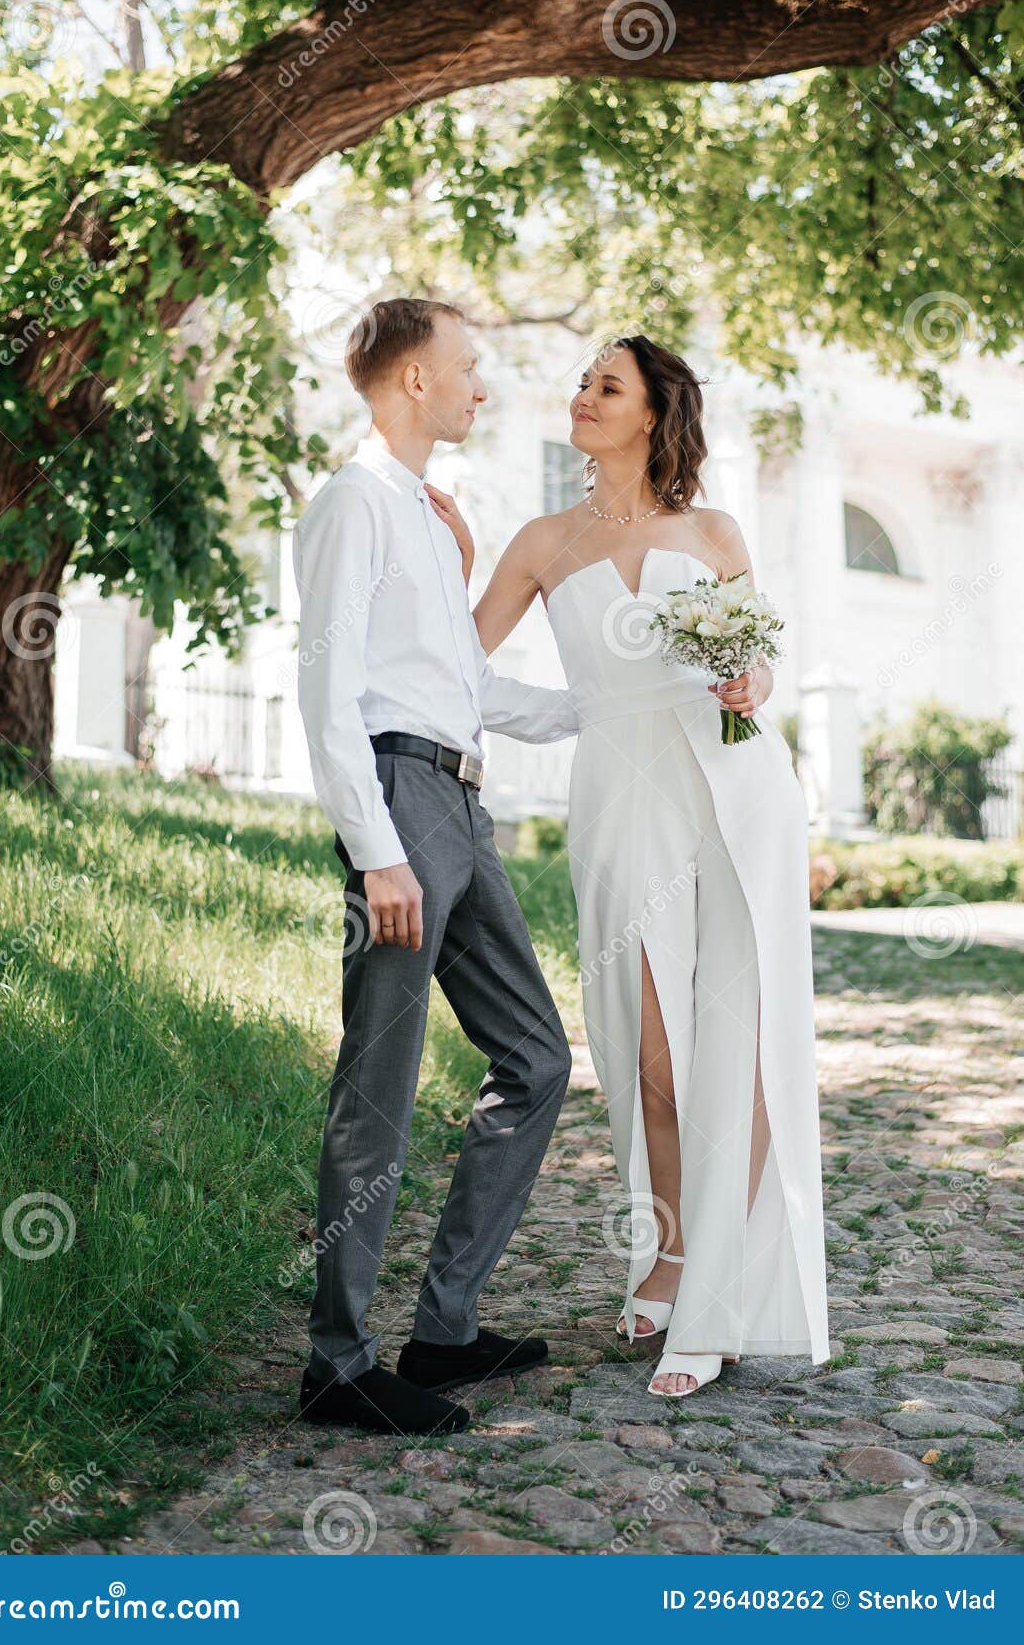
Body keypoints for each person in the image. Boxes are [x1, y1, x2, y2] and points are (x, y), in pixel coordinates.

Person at [431, 333, 830, 1399]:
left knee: (736, 1044)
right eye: (581, 383)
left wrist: (751, 681)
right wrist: (458, 568)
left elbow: (759, 664)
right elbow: (453, 672)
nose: (584, 396)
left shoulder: (712, 527)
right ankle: (673, 1250)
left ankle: (717, 1294)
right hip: (618, 792)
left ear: (655, 412)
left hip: (735, 785)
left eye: (606, 384)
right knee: (651, 1052)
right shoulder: (541, 540)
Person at [291, 297, 581, 1436]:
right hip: (400, 805)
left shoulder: (428, 514)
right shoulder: (354, 504)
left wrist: (627, 705)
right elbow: (326, 695)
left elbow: (475, 688)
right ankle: (337, 1361)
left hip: (462, 801)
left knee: (538, 1056)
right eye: (467, 368)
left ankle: (445, 1327)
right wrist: (377, 856)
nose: (480, 388)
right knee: (380, 1085)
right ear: (412, 379)